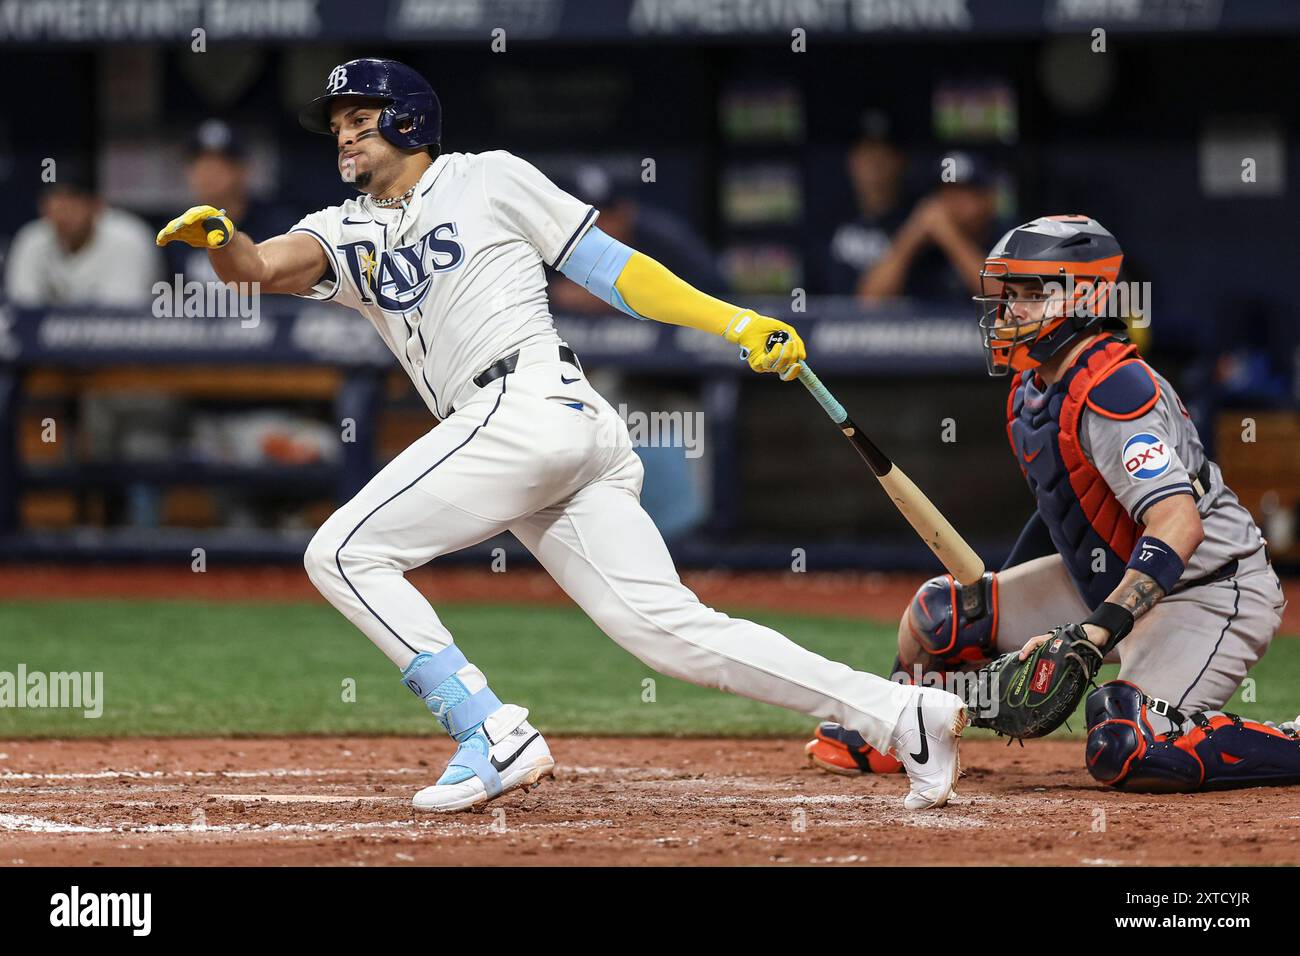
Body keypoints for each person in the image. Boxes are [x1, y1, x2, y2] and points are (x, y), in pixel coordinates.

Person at [156, 58, 968, 813]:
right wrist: (224, 242)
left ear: (407, 120)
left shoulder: (487, 178)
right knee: (668, 633)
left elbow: (615, 269)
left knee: (342, 552)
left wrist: (734, 321)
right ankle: (901, 712)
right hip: (536, 434)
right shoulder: (346, 227)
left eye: (359, 117)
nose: (342, 134)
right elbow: (263, 267)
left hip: (529, 402)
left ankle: (489, 730)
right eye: (335, 123)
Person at [807, 215, 1300, 793]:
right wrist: (990, 621)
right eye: (1010, 294)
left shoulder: (1117, 392)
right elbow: (1064, 512)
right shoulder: (1035, 388)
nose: (1012, 310)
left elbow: (1176, 522)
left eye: (1033, 295)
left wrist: (1092, 635)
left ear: (1086, 295)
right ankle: (905, 731)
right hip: (1110, 575)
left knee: (1129, 744)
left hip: (1205, 590)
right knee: (942, 617)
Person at [5, 160, 160, 307]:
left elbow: (120, 319)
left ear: (97, 205)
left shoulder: (127, 238)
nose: (63, 213)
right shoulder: (31, 240)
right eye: (55, 203)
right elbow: (21, 312)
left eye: (72, 202)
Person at [163, 119, 295, 283]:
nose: (208, 173)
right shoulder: (177, 232)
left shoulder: (277, 227)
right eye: (200, 163)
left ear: (242, 170)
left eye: (220, 164)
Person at [857, 151, 997, 303]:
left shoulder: (1009, 239)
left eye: (965, 193)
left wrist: (950, 236)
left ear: (987, 199)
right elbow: (868, 300)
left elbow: (1006, 301)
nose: (955, 204)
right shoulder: (924, 242)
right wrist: (910, 237)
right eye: (948, 193)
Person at [822, 109, 910, 295]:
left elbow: (872, 299)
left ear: (901, 161)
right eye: (867, 154)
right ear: (852, 161)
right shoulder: (827, 219)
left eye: (884, 155)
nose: (875, 165)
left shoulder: (914, 221)